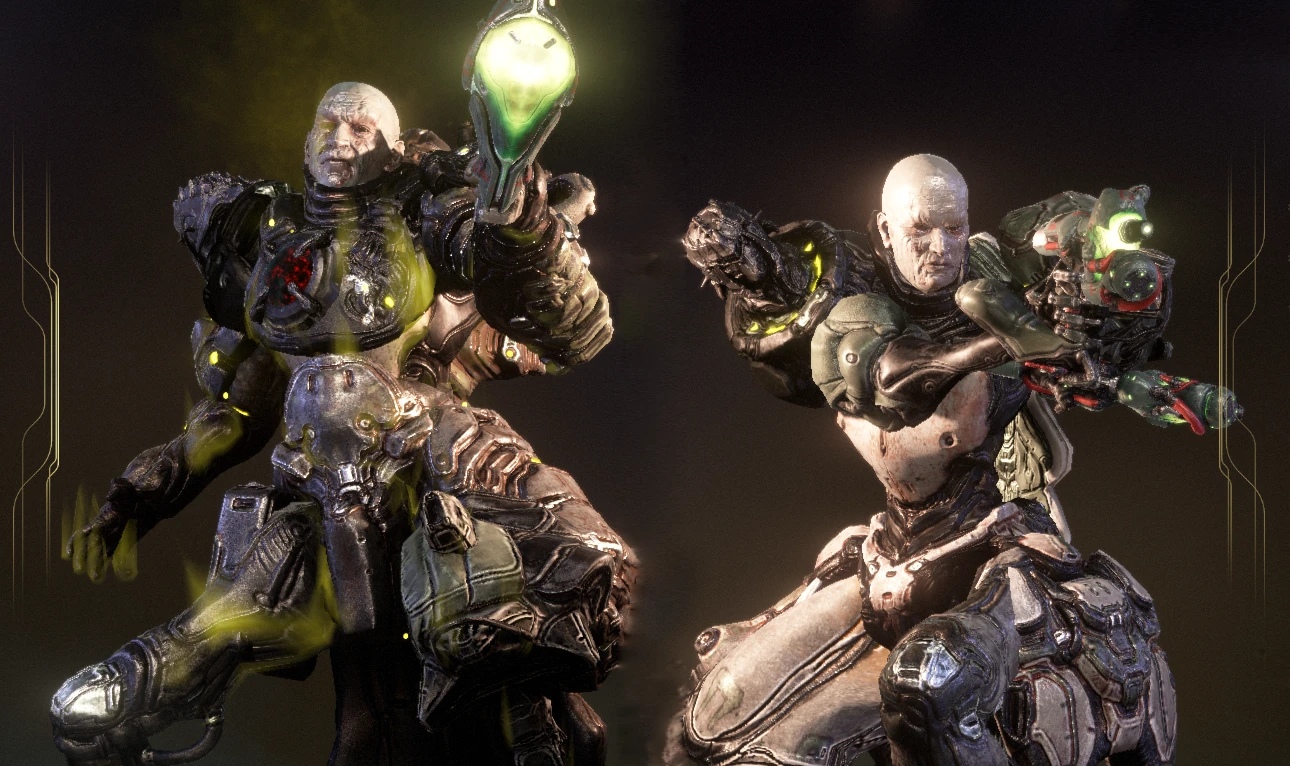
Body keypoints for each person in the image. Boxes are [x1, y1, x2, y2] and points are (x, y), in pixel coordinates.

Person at [50, 80, 633, 766]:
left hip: (433, 469)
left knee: (520, 626)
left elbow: (562, 319)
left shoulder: (427, 220)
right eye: (329, 124)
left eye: (361, 128)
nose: (341, 139)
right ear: (307, 140)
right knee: (339, 700)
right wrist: (133, 500)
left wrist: (522, 220)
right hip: (317, 496)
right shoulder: (273, 254)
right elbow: (231, 417)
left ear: (392, 149)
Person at [669, 154, 1237, 764]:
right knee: (712, 711)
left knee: (925, 685)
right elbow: (893, 383)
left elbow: (1083, 249)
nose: (940, 248)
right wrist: (1014, 342)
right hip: (889, 556)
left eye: (954, 227)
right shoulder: (853, 309)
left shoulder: (1002, 277)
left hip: (989, 546)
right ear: (884, 229)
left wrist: (1103, 300)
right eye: (920, 230)